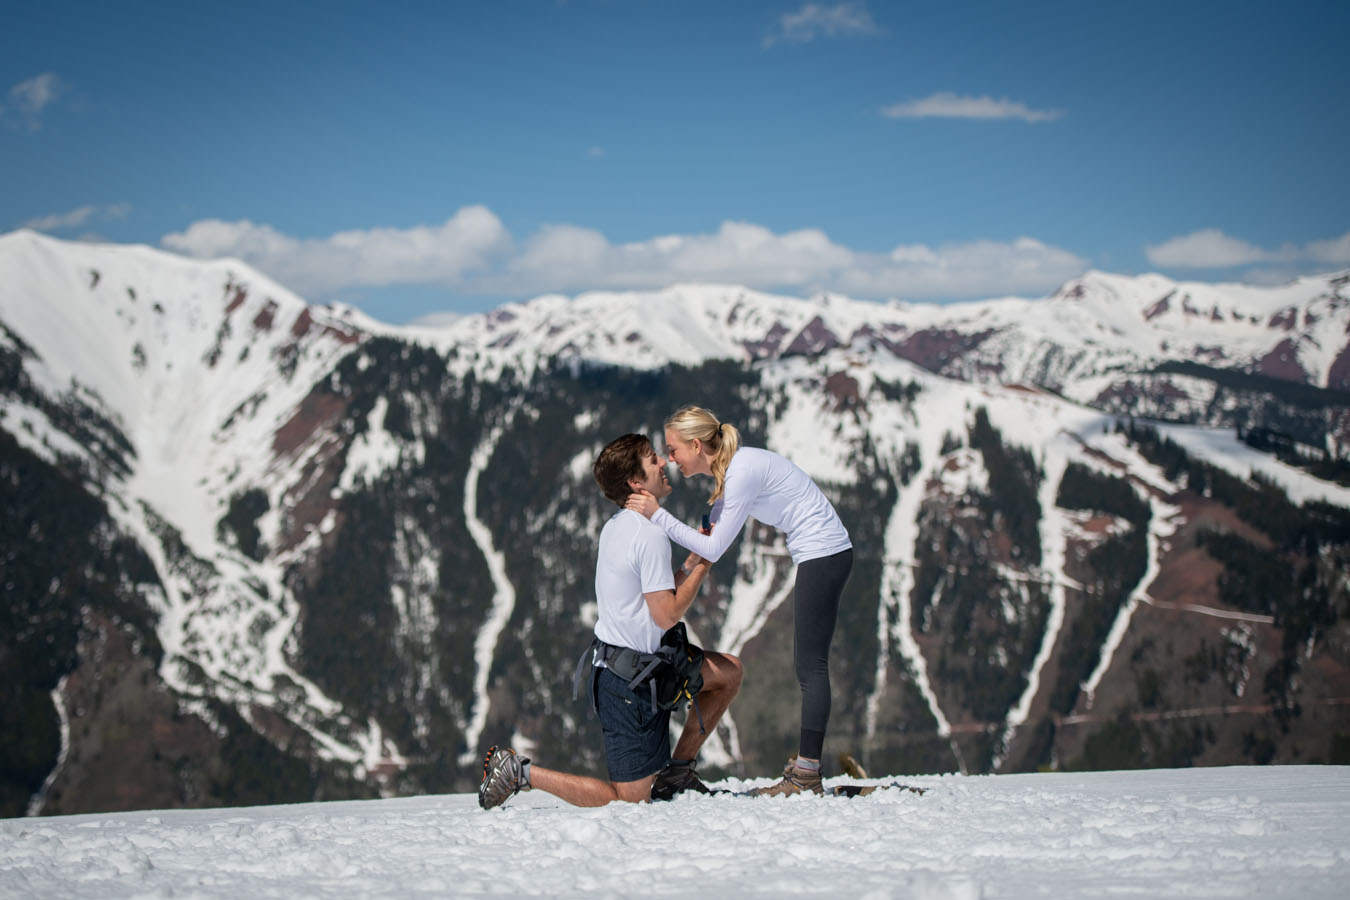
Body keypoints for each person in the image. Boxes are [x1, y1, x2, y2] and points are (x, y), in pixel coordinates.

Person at [478, 433, 743, 809]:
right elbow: (666, 613)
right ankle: (519, 772)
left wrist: (692, 562)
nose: (664, 463)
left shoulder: (619, 525)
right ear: (636, 483)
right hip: (628, 686)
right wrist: (706, 563)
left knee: (728, 673)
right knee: (628, 800)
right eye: (653, 460)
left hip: (651, 668)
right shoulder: (650, 535)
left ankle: (678, 770)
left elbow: (653, 593)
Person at [625, 405, 852, 797]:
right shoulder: (734, 471)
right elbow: (712, 536)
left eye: (674, 449)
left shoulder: (742, 471)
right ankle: (807, 770)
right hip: (822, 552)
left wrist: (657, 516)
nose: (670, 460)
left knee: (810, 666)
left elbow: (714, 546)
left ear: (697, 445)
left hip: (824, 552)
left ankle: (807, 774)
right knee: (809, 664)